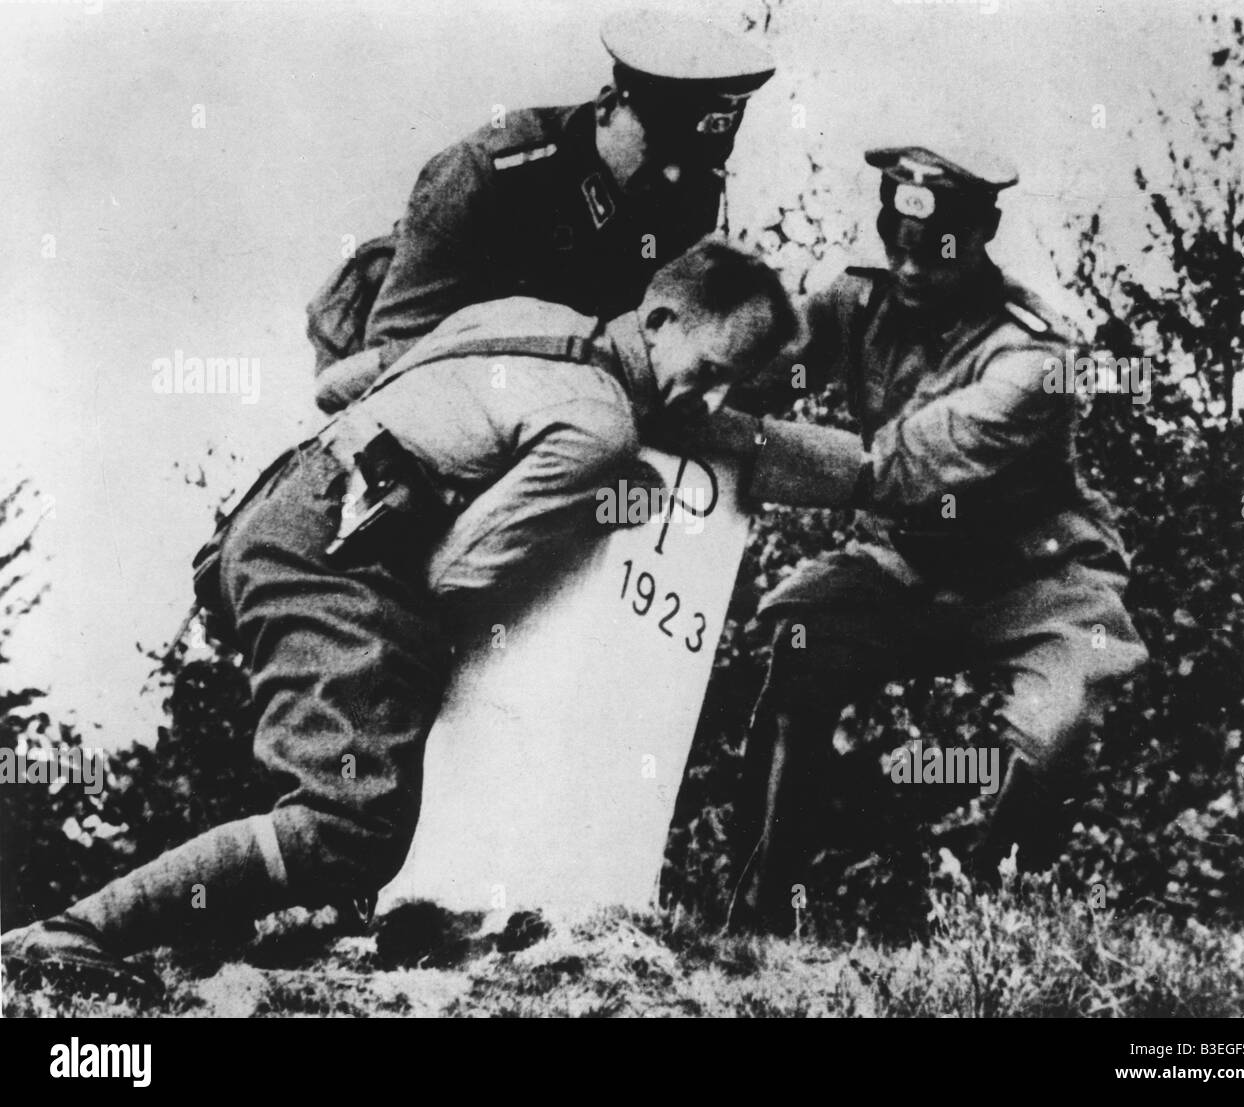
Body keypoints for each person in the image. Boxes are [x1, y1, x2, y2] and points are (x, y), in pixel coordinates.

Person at [3, 240, 797, 997]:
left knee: (342, 789)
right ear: (661, 322)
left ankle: (169, 931)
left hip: (284, 510)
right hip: (335, 551)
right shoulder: (602, 426)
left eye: (735, 388)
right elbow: (452, 574)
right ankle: (72, 935)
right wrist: (607, 504)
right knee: (350, 825)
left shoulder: (527, 317)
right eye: (712, 372)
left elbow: (348, 384)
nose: (714, 402)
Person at [694, 145, 1148, 933]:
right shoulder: (857, 301)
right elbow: (767, 369)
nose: (909, 271)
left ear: (983, 235)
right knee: (798, 642)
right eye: (895, 244)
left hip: (1036, 579)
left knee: (1055, 728)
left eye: (934, 253)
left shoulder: (1034, 355)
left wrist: (743, 437)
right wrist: (681, 375)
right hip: (905, 565)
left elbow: (896, 468)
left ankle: (989, 929)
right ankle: (754, 922)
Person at [310, 9, 776, 412]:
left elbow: (652, 337)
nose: (675, 178)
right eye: (659, 154)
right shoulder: (490, 173)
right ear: (609, 108)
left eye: (694, 164)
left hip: (553, 380)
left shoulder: (689, 194)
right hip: (406, 360)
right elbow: (394, 358)